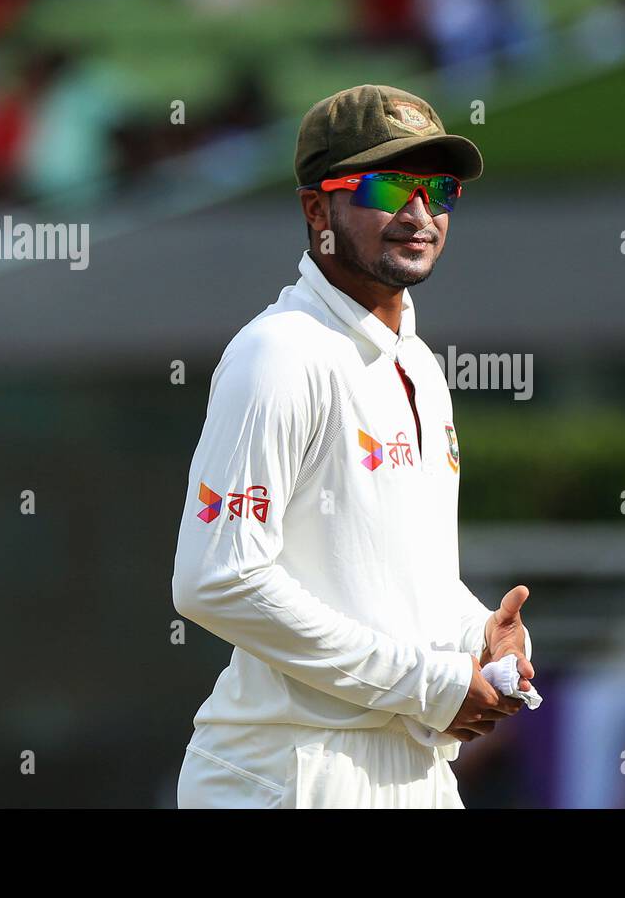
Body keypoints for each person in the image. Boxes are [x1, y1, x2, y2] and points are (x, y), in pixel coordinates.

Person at [172, 84, 535, 808]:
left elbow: (398, 578)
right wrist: (426, 682)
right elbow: (217, 579)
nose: (420, 213)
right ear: (317, 210)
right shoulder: (277, 354)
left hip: (414, 768)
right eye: (389, 184)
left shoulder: (422, 368)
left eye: (439, 189)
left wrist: (482, 639)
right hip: (288, 772)